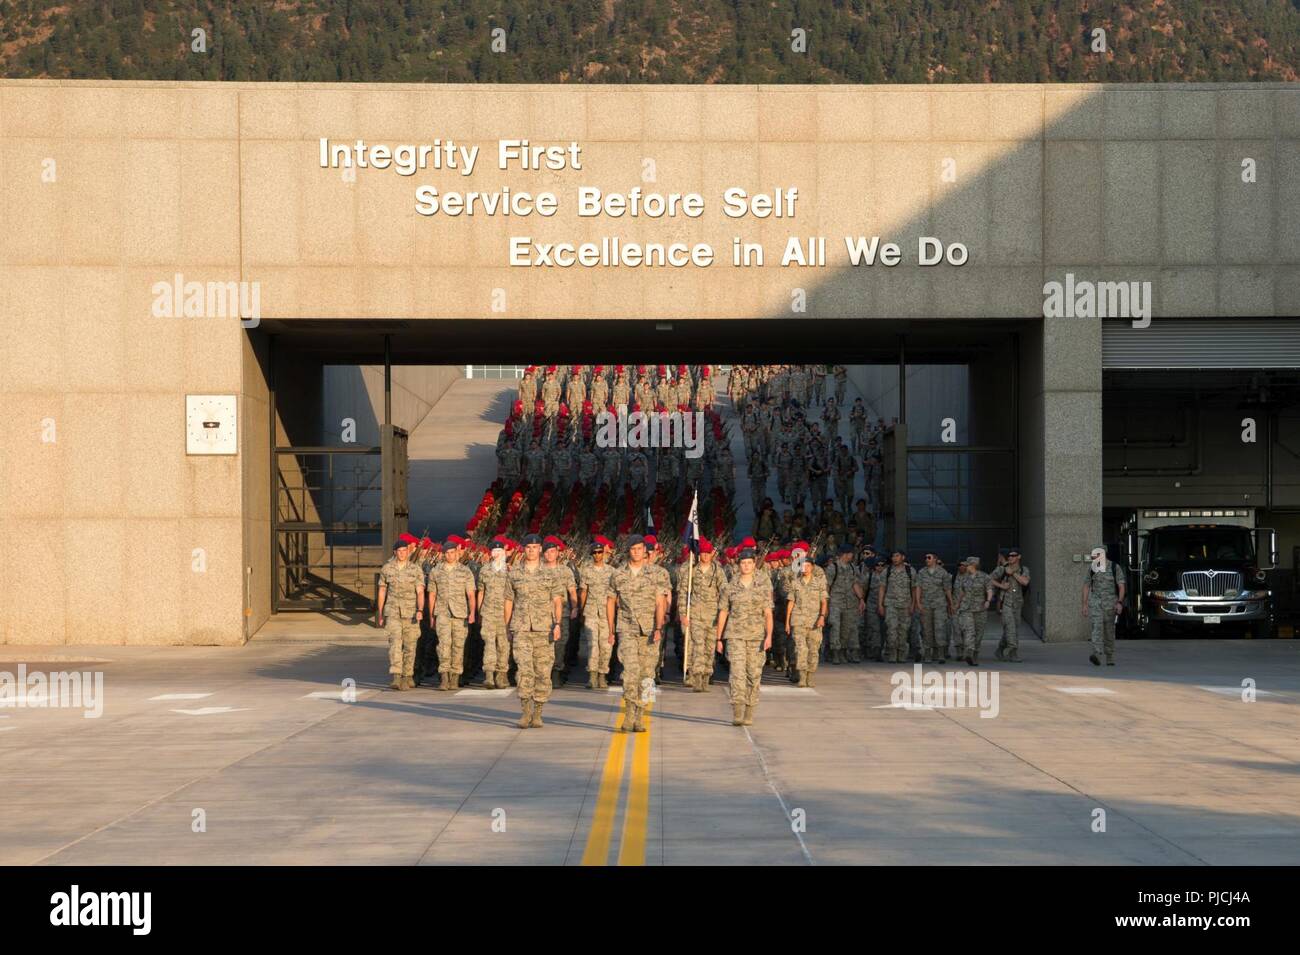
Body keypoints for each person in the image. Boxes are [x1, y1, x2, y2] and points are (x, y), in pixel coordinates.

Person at [503, 534, 565, 728]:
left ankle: (538, 711)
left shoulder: (550, 574)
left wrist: (557, 624)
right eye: (528, 547)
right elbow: (508, 601)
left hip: (543, 629)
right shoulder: (514, 574)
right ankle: (525, 711)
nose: (531, 550)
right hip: (521, 628)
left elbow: (557, 601)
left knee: (543, 671)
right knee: (524, 670)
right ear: (524, 549)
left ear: (540, 550)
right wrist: (507, 626)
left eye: (535, 547)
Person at [607, 536, 665, 733]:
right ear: (629, 551)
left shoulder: (656, 573)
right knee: (630, 673)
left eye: (640, 549)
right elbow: (610, 602)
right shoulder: (618, 575)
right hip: (627, 628)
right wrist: (611, 629)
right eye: (633, 549)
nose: (637, 552)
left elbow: (660, 602)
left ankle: (642, 714)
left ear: (645, 551)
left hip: (649, 631)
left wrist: (658, 628)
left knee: (648, 675)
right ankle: (630, 712)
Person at [715, 548, 774, 726]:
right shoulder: (730, 587)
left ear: (754, 564)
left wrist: (769, 636)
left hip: (756, 637)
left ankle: (750, 709)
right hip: (735, 636)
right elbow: (723, 612)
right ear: (738, 564)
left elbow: (768, 613)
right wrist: (719, 638)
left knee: (753, 675)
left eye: (749, 563)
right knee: (737, 674)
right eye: (743, 563)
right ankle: (738, 711)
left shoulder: (762, 586)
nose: (746, 566)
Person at [428, 537, 478, 690]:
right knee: (443, 645)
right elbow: (432, 595)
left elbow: (470, 594)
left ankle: (455, 677)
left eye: (452, 552)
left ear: (457, 553)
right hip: (442, 612)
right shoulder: (436, 571)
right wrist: (431, 616)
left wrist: (472, 613)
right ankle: (444, 676)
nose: (450, 555)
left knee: (458, 646)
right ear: (443, 554)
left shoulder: (465, 571)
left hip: (460, 614)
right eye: (447, 553)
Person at [677, 539, 726, 691]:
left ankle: (706, 676)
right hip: (695, 614)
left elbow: (724, 592)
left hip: (712, 617)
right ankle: (697, 677)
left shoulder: (718, 571)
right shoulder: (692, 570)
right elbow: (683, 592)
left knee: (709, 648)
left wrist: (723, 613)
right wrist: (683, 614)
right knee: (697, 646)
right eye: (702, 553)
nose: (705, 556)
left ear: (712, 554)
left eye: (707, 553)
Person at [378, 538, 426, 690]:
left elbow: (420, 592)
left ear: (408, 552)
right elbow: (382, 591)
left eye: (404, 550)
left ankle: (407, 675)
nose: (402, 553)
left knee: (410, 646)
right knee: (395, 644)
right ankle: (397, 676)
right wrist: (380, 613)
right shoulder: (387, 569)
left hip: (411, 613)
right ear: (395, 552)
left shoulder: (415, 569)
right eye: (399, 551)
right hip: (392, 612)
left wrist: (420, 610)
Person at [785, 543, 829, 687]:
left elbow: (824, 601)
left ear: (812, 567)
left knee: (813, 650)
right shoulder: (795, 583)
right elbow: (790, 602)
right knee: (800, 649)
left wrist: (822, 616)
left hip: (814, 621)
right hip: (798, 621)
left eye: (807, 566)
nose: (805, 568)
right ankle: (802, 676)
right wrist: (787, 622)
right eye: (802, 566)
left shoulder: (818, 583)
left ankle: (810, 675)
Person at [578, 537, 616, 688]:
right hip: (592, 612)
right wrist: (581, 610)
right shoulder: (586, 571)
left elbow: (615, 594)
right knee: (592, 645)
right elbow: (584, 592)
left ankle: (602, 675)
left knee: (606, 645)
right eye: (595, 552)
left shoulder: (612, 572)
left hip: (607, 613)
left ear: (604, 554)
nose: (597, 555)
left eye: (600, 552)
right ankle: (592, 676)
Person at [477, 536, 514, 689]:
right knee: (489, 643)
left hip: (505, 612)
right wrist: (479, 611)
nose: (497, 553)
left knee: (504, 645)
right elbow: (481, 591)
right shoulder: (485, 570)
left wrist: (511, 616)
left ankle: (501, 674)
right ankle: (489, 675)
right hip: (488, 612)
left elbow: (512, 595)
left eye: (500, 550)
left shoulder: (510, 571)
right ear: (491, 553)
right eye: (494, 550)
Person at [1082, 546, 1125, 666]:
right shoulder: (1092, 568)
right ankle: (1096, 653)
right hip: (1096, 604)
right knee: (1096, 628)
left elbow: (1121, 586)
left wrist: (1120, 602)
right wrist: (1084, 604)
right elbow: (1086, 586)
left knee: (1109, 631)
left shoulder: (1114, 567)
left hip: (1110, 604)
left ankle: (1110, 656)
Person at [876, 548, 918, 664]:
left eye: (897, 556)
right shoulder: (887, 571)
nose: (894, 558)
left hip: (906, 605)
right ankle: (892, 654)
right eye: (893, 556)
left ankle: (902, 654)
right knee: (891, 630)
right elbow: (882, 588)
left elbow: (914, 589)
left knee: (903, 631)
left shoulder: (910, 571)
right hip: (891, 605)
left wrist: (913, 604)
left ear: (903, 557)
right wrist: (880, 604)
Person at [991, 548, 1030, 662]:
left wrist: (1013, 573)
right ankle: (1013, 652)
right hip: (1006, 604)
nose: (1011, 557)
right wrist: (1001, 586)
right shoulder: (1002, 569)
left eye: (1013, 555)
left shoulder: (1023, 569)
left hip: (1017, 604)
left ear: (1019, 557)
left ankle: (1000, 649)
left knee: (1012, 629)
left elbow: (1025, 582)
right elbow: (989, 579)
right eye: (1009, 556)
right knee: (1011, 628)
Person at [954, 556, 993, 666]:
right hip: (966, 609)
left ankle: (974, 656)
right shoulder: (964, 578)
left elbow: (989, 590)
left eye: (968, 565)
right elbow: (962, 592)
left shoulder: (985, 577)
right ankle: (969, 652)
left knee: (979, 633)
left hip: (980, 609)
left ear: (973, 565)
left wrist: (988, 601)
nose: (966, 567)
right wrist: (957, 605)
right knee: (969, 631)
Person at [916, 552, 954, 663]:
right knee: (927, 629)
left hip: (940, 605)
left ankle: (940, 654)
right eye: (925, 557)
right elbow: (918, 587)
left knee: (939, 628)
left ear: (935, 560)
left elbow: (947, 589)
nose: (926, 559)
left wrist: (951, 603)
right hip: (926, 604)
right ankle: (927, 653)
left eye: (929, 557)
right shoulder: (922, 572)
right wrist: (918, 602)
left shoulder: (943, 572)